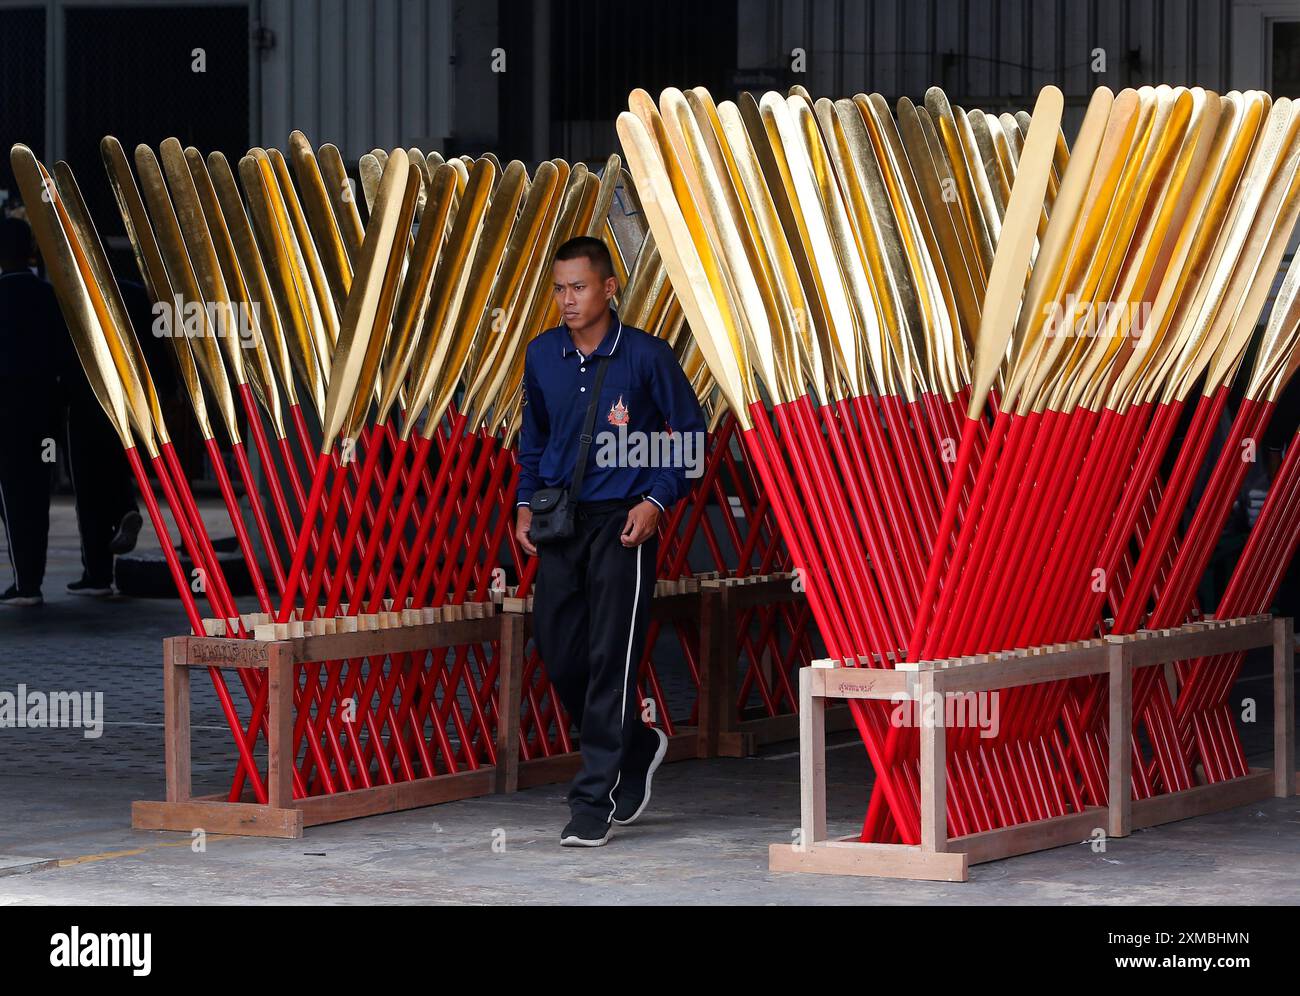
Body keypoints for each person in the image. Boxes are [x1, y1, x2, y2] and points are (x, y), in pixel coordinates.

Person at [515, 236, 705, 847]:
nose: (567, 301)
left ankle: (590, 801)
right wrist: (523, 503)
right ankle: (637, 742)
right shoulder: (542, 355)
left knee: (610, 660)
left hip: (625, 524)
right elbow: (534, 441)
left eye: (579, 287)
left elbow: (690, 438)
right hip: (559, 523)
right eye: (559, 289)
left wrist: (655, 501)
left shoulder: (647, 357)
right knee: (557, 646)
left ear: (609, 287)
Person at [0, 216, 65, 606]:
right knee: (36, 492)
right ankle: (33, 577)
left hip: (7, 410)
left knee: (11, 494)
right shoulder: (48, 297)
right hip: (43, 411)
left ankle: (25, 581)